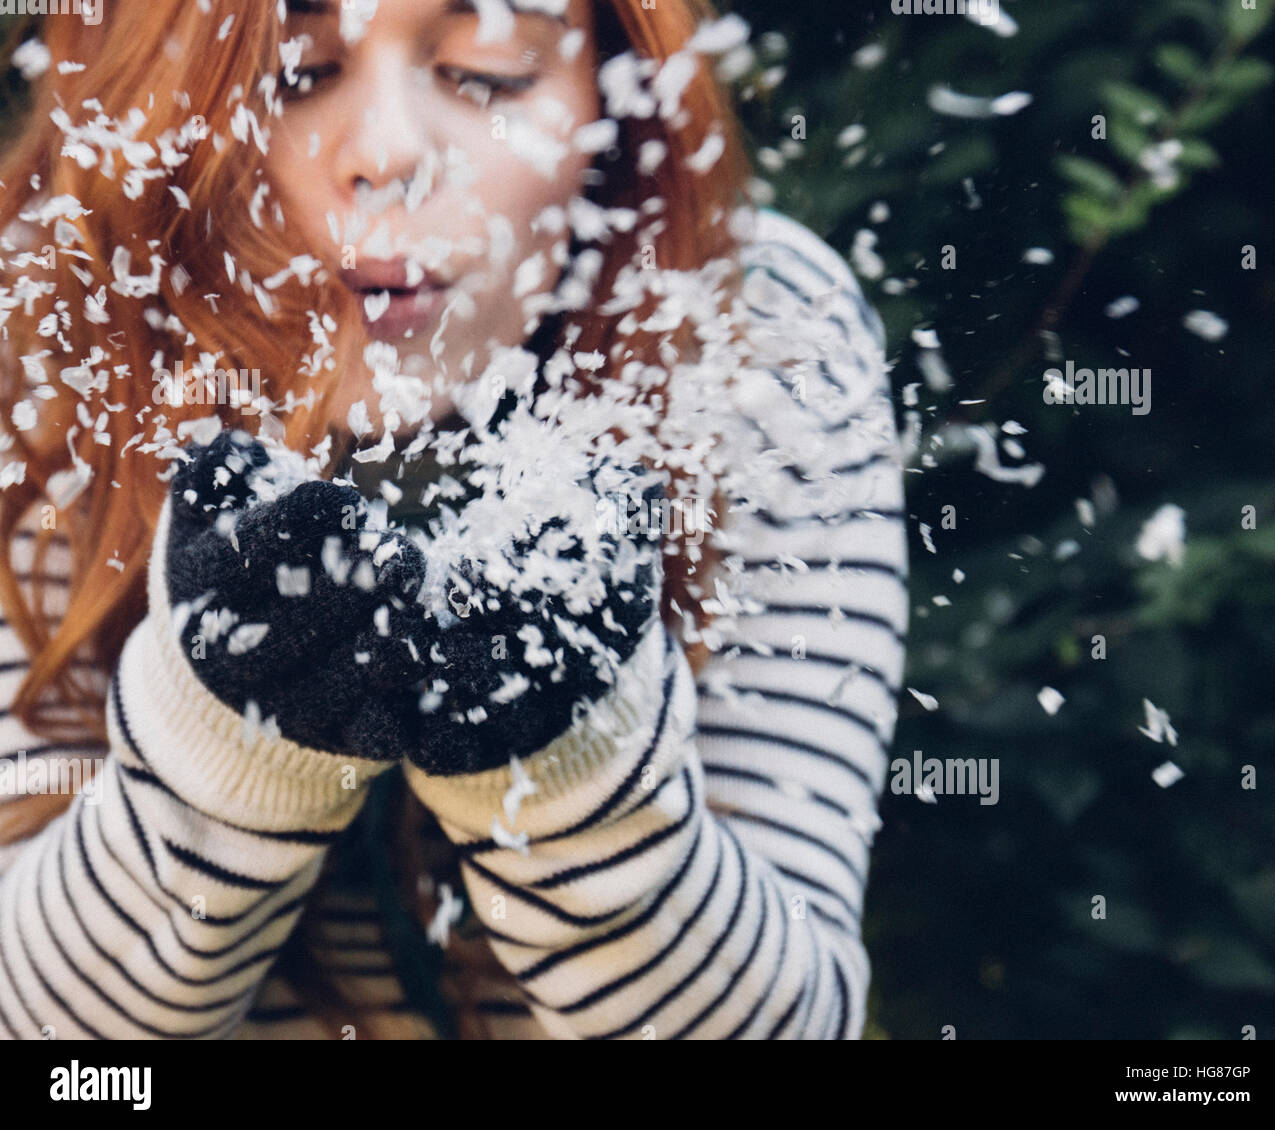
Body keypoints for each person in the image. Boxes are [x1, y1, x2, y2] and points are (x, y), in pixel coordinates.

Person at [0, 0, 908, 1039]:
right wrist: (222, 744)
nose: (388, 156)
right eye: (293, 72)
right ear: (154, 95)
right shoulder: (41, 334)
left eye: (489, 70)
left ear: (612, 97)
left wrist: (575, 772)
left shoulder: (746, 331)